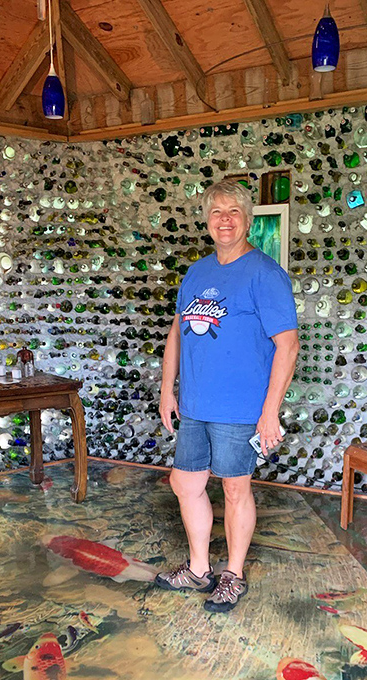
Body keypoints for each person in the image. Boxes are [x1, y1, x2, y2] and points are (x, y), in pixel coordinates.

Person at [155, 179, 299, 612]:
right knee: (186, 484)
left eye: (233, 212)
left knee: (236, 490)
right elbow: (176, 334)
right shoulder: (197, 272)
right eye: (217, 211)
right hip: (196, 405)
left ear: (248, 221)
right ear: (207, 220)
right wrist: (167, 389)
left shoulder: (265, 274)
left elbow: (288, 344)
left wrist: (270, 412)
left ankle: (231, 575)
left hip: (240, 407)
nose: (224, 219)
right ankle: (199, 569)